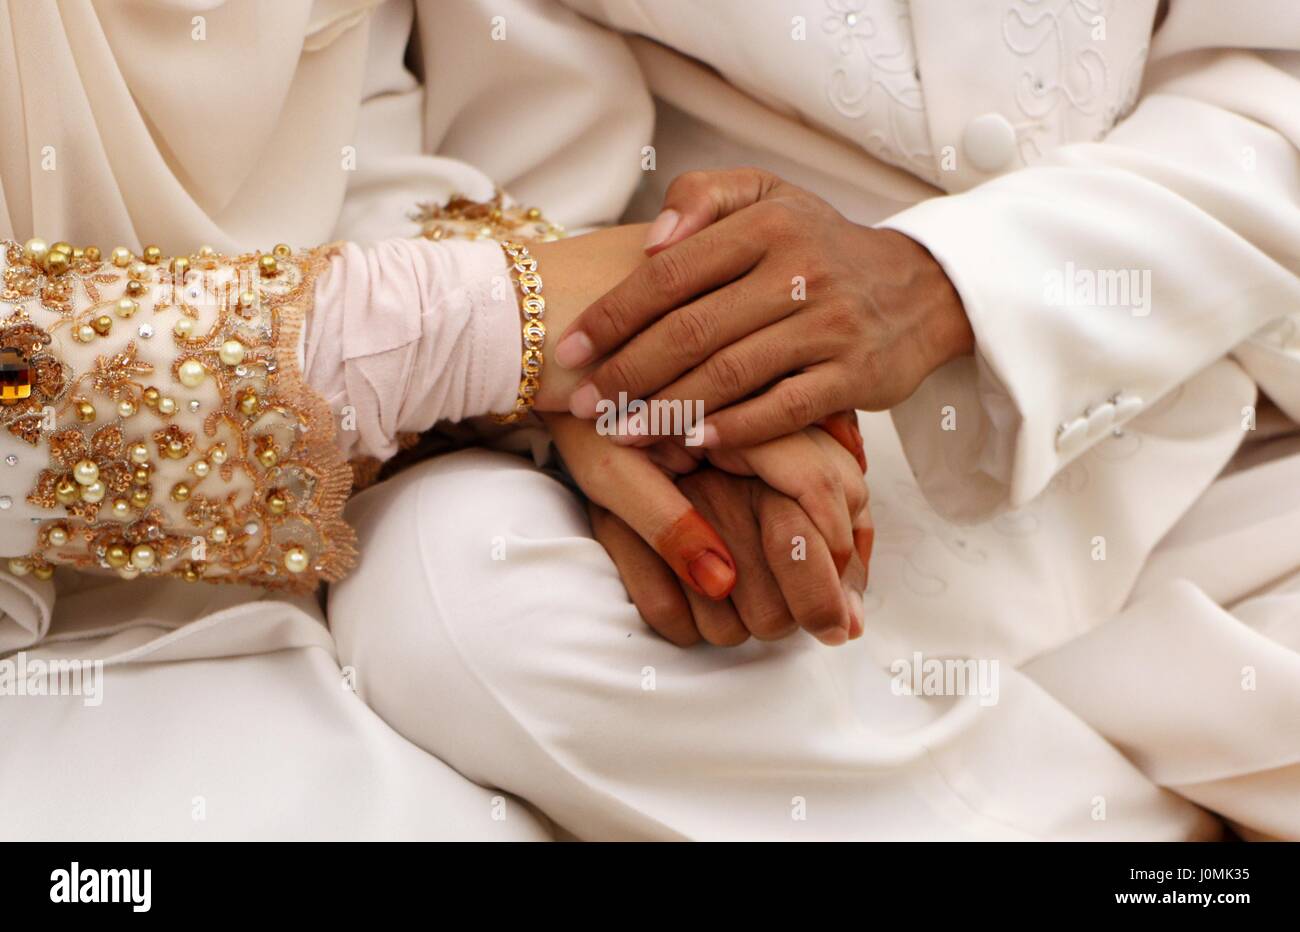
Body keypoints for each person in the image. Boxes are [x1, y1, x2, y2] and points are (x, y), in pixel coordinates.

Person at [2, 0, 1297, 841]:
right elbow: (445, 131)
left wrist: (945, 284)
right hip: (661, 415)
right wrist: (643, 386)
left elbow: (1272, 89)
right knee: (456, 593)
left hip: (1230, 379)